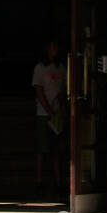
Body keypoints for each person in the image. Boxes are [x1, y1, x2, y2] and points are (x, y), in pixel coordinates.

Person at [32, 38, 67, 194]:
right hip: (43, 113)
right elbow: (38, 90)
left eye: (56, 47)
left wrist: (59, 104)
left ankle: (58, 181)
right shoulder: (40, 68)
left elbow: (65, 87)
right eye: (51, 46)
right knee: (42, 148)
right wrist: (48, 109)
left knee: (57, 150)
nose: (54, 50)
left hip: (57, 113)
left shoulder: (61, 68)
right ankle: (39, 181)